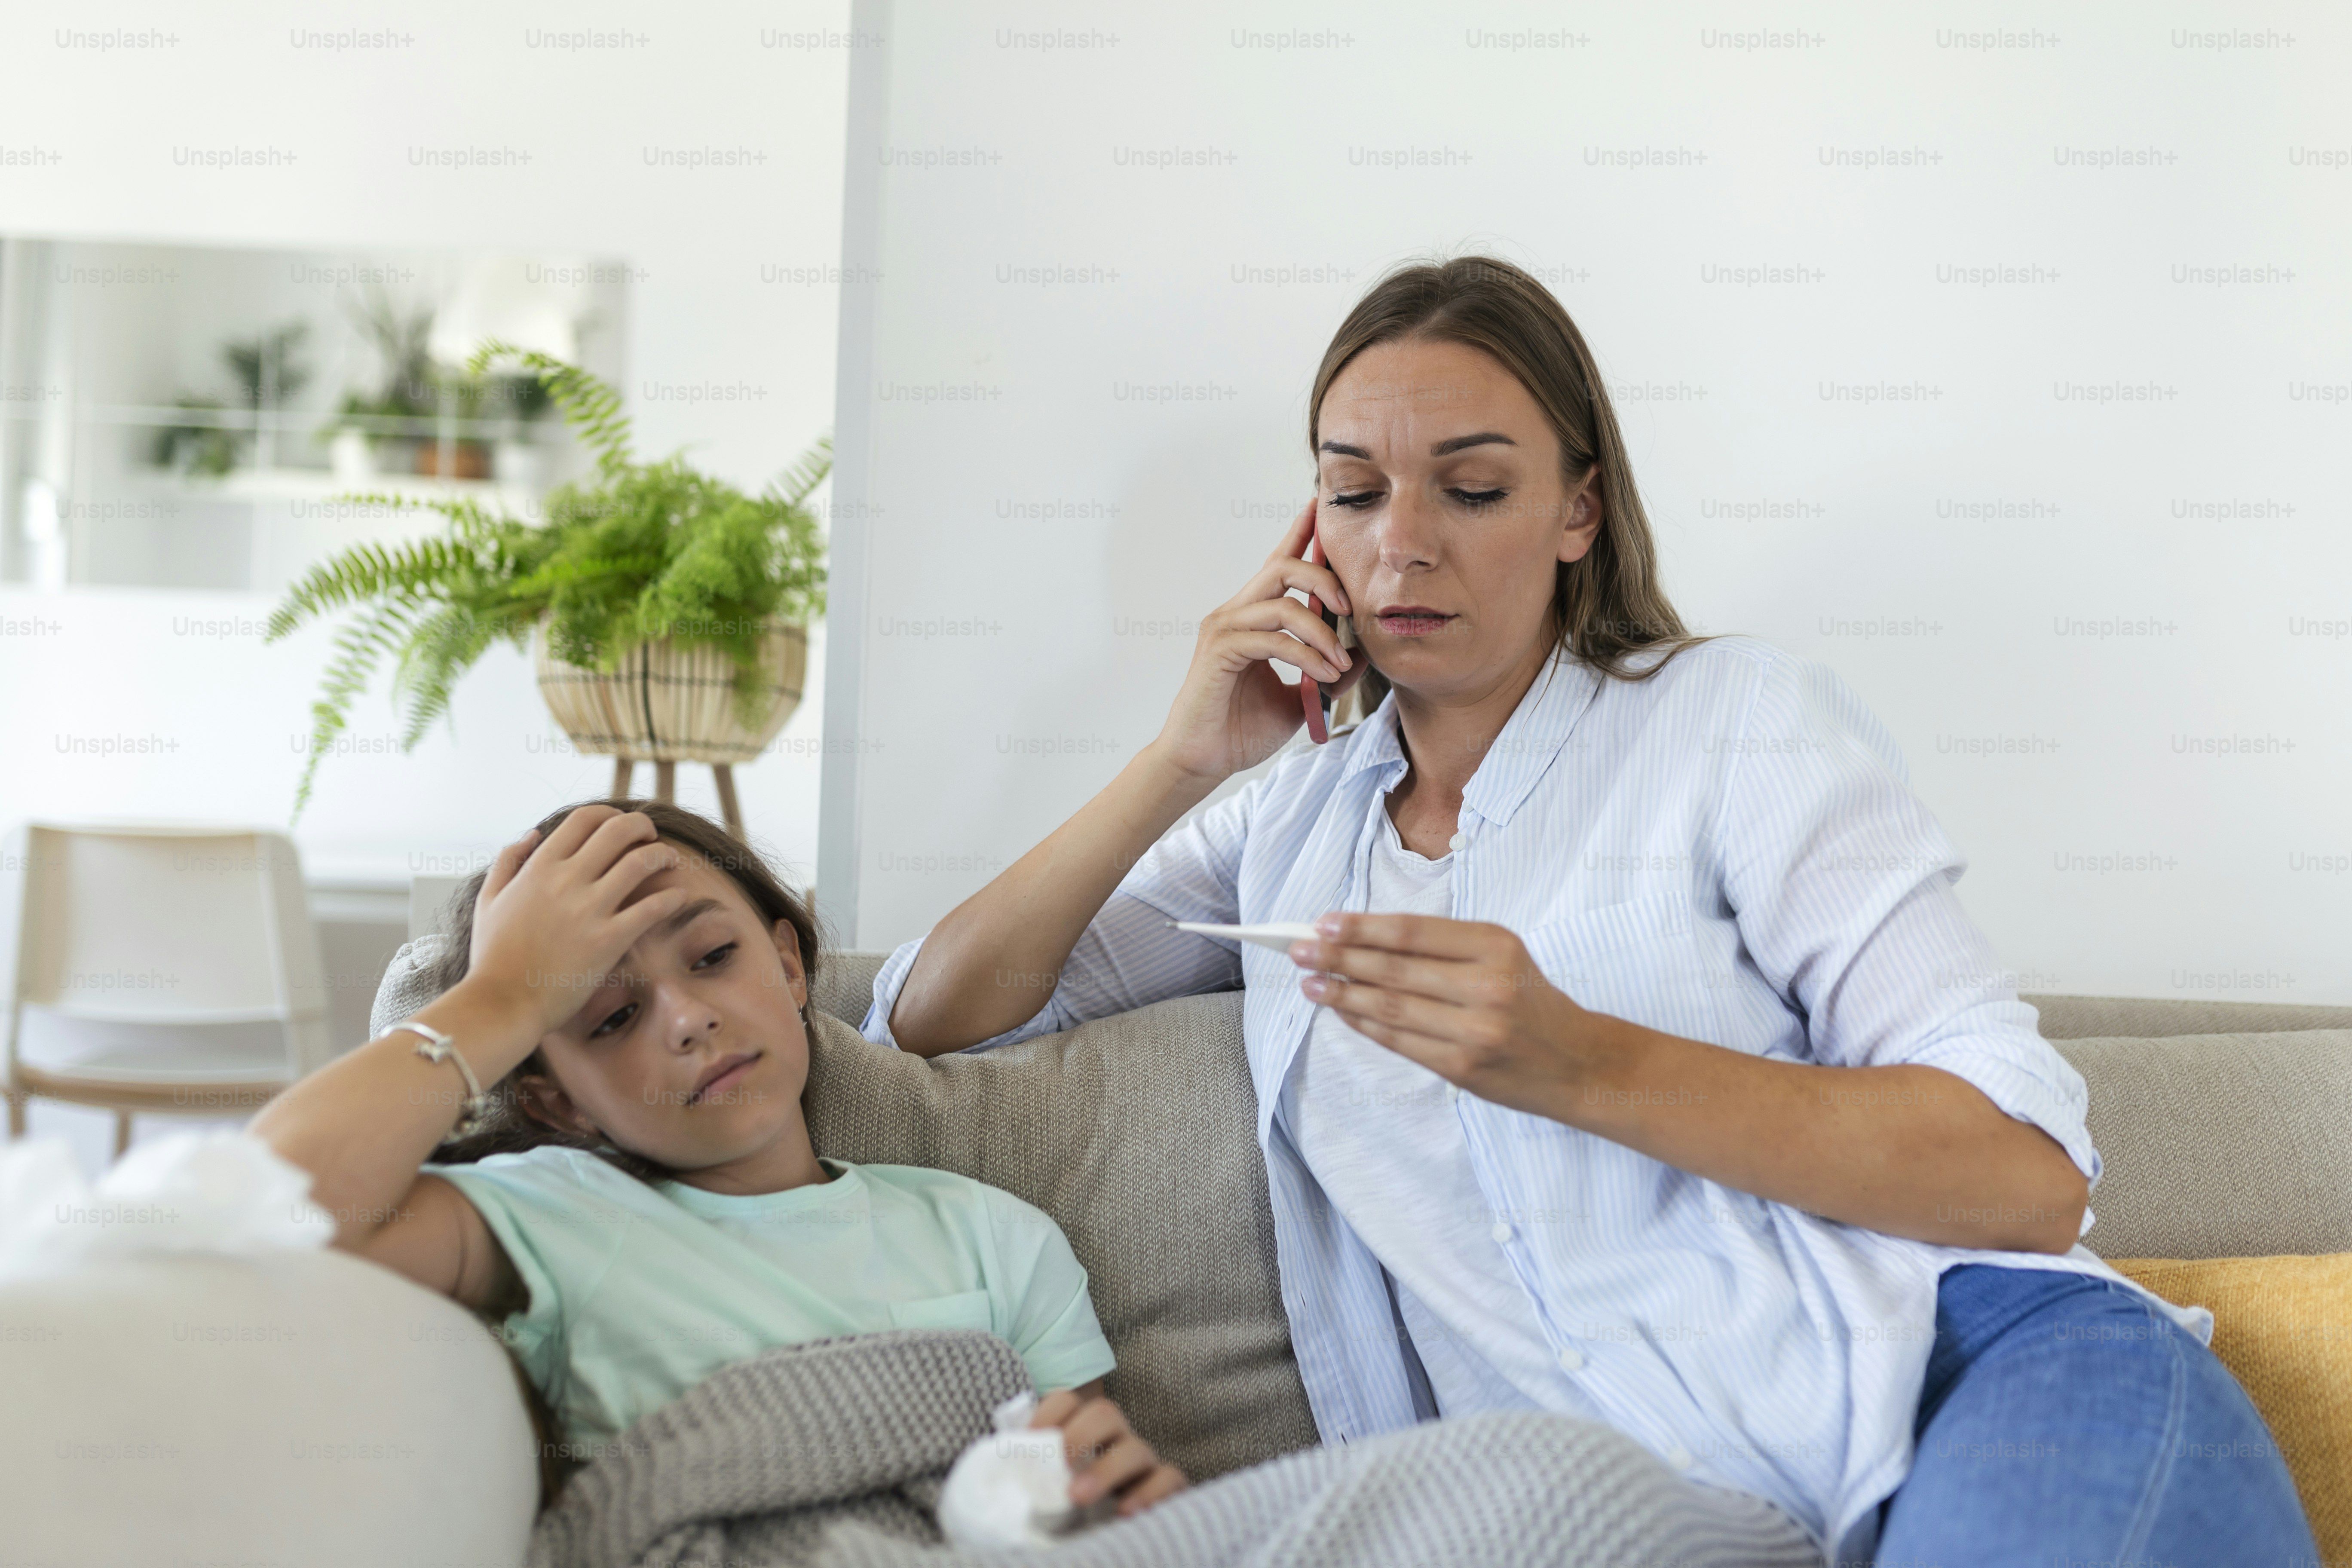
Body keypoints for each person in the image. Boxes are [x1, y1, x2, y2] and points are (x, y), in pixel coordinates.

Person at [867, 256, 2313, 1564]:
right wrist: (1182, 754)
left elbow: (2024, 1172)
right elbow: (933, 1010)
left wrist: (1581, 1061)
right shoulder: (1285, 823)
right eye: (1356, 489)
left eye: (1473, 487)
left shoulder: (1730, 723)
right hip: (1648, 1510)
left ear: (1578, 508)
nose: (1402, 543)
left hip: (1972, 1369)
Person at [251, 799, 1186, 1519]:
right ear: (555, 1098)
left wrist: (1121, 1505)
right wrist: (500, 996)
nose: (689, 1017)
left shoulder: (995, 1237)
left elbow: (1093, 1515)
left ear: (786, 966)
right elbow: (263, 1211)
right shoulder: (548, 1217)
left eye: (712, 957)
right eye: (612, 1015)